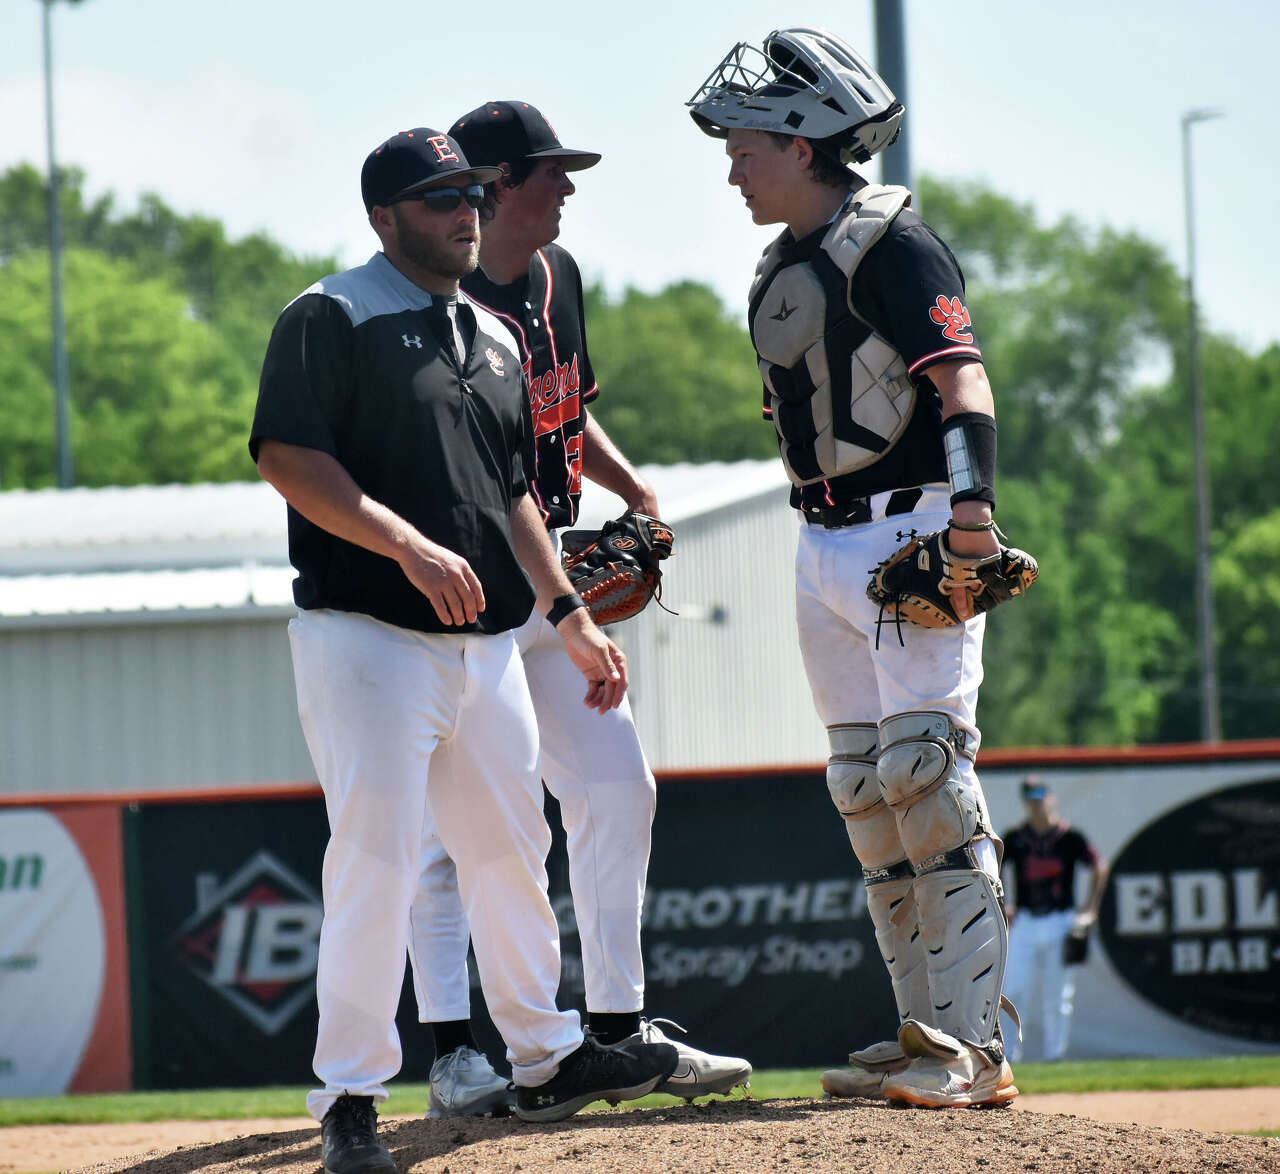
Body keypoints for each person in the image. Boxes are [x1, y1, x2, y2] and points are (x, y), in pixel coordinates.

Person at [250, 126, 679, 1173]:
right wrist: (403, 543)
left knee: (509, 848)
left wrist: (569, 614)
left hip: (485, 645)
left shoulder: (491, 336)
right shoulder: (332, 313)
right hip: (364, 635)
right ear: (383, 215)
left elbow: (519, 493)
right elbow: (286, 455)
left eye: (470, 193)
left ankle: (542, 1053)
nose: (465, 210)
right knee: (379, 856)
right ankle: (349, 1098)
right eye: (439, 196)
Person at [687, 29, 1021, 1108]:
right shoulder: (784, 261)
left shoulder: (893, 244)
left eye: (746, 142)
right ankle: (917, 1029)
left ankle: (973, 1049)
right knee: (864, 792)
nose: (731, 162)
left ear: (800, 138)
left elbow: (960, 384)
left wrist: (970, 519)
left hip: (909, 527)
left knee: (924, 776)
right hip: (820, 539)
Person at [404, 100, 751, 1119]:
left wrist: (636, 494)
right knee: (461, 834)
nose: (566, 187)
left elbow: (563, 408)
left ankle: (613, 1028)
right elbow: (485, 470)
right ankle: (454, 1055)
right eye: (548, 171)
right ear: (495, 184)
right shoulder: (438, 306)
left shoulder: (557, 279)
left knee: (615, 786)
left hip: (549, 565)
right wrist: (569, 611)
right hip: (463, 584)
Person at [1001, 776, 1108, 1062]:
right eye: (1031, 797)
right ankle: (1009, 1057)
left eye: (1041, 796)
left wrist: (1090, 909)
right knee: (1014, 991)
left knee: (1057, 996)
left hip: (1060, 920)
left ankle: (1054, 1057)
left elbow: (1099, 867)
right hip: (1024, 920)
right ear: (1025, 801)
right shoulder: (1016, 837)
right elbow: (994, 868)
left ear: (1052, 797)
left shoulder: (1070, 837)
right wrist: (1004, 904)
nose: (1037, 803)